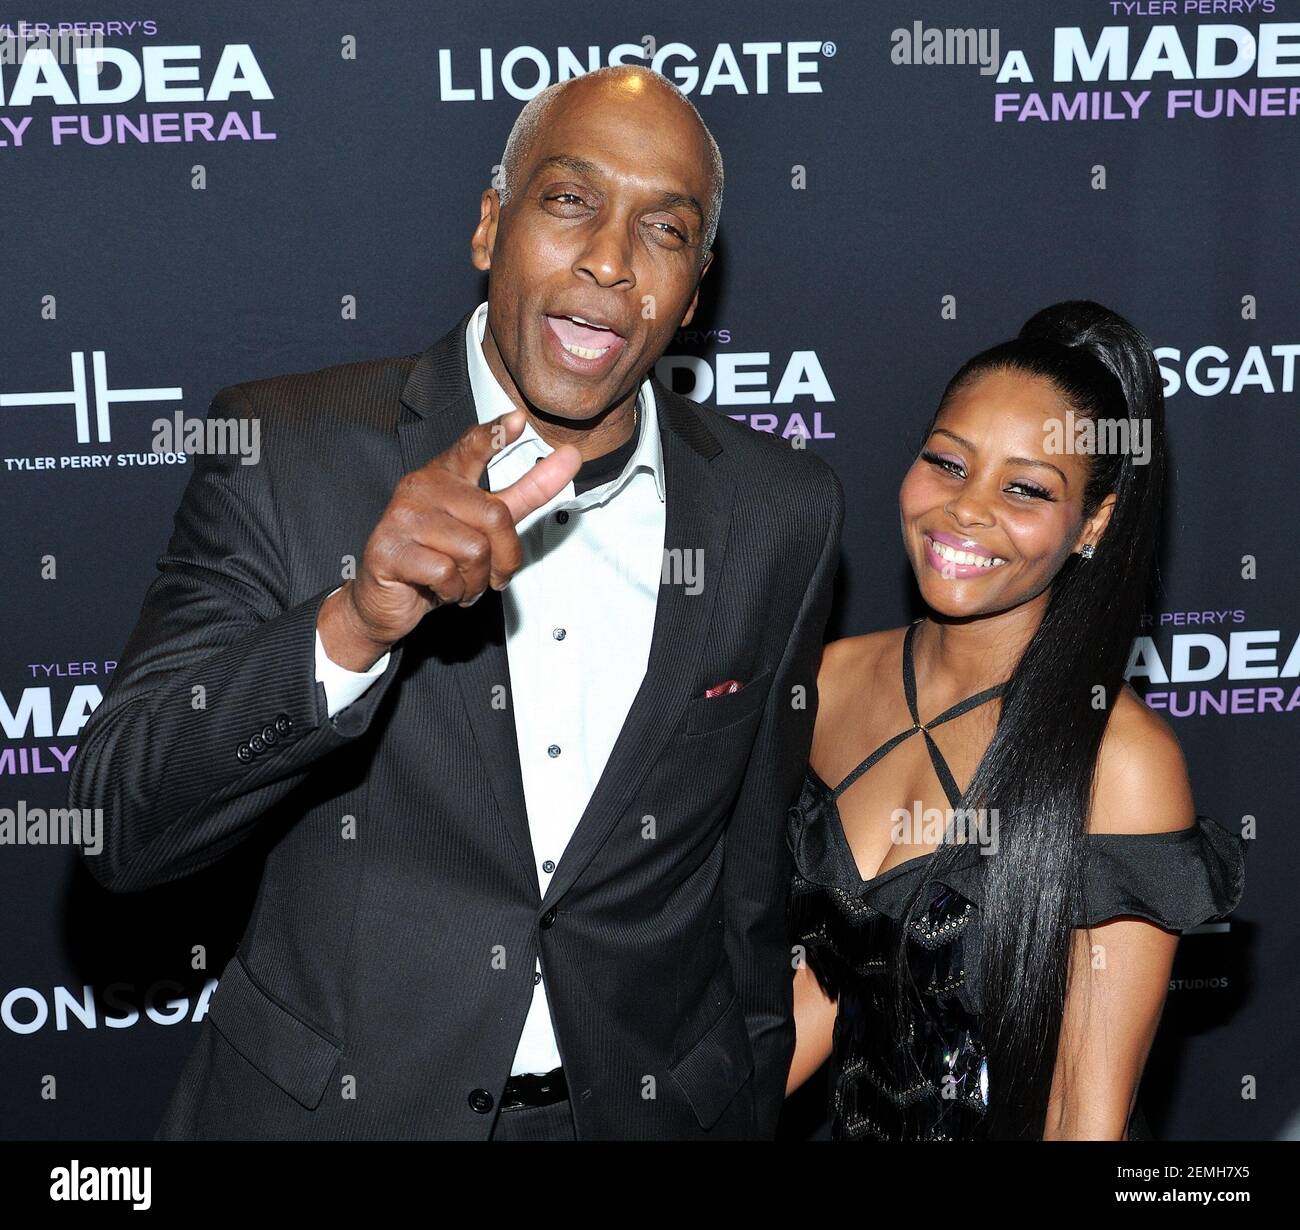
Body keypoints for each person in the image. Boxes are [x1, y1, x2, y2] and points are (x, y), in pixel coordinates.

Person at [68, 65, 844, 1140]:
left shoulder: (779, 513)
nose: (610, 262)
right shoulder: (287, 450)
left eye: (662, 231)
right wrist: (354, 623)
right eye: (570, 201)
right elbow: (117, 820)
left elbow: (748, 891)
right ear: (490, 225)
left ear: (694, 289)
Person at [785, 301, 1246, 1140]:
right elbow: (823, 990)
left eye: (1026, 488)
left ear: (1093, 524)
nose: (966, 510)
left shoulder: (1120, 760)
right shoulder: (827, 681)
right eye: (948, 463)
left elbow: (1084, 1115)